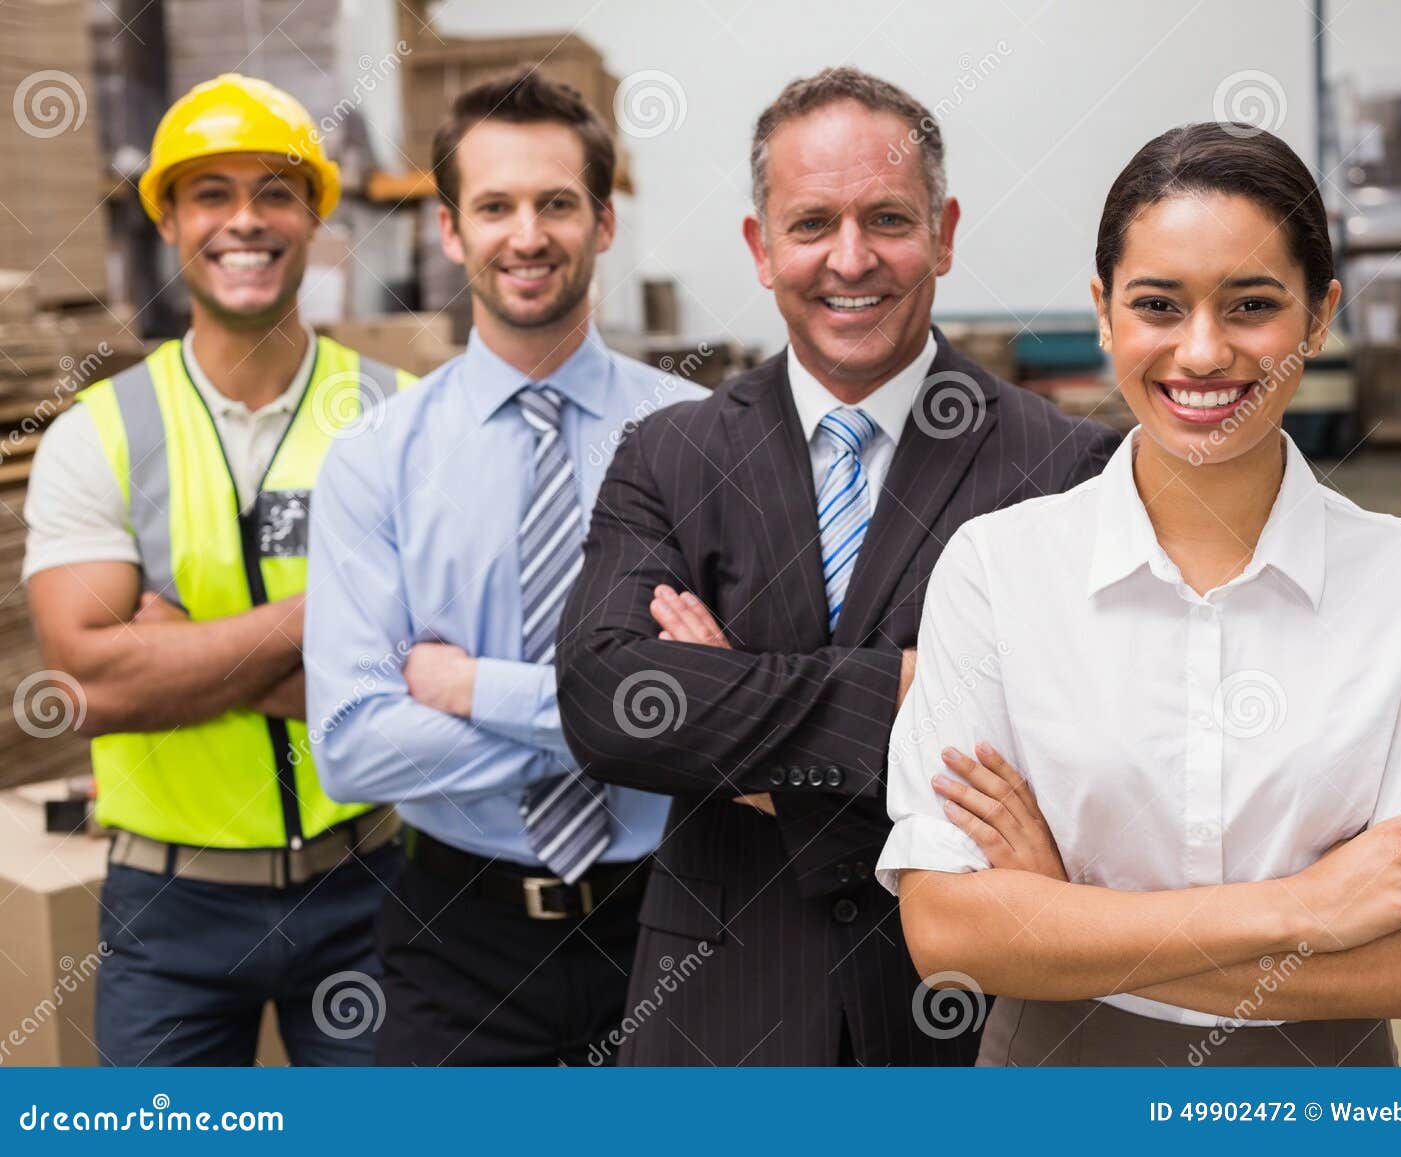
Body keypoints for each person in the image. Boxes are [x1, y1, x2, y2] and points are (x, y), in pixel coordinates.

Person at [877, 122, 1401, 1067]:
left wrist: (1060, 920)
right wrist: (1307, 906)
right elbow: (950, 935)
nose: (1203, 352)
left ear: (1321, 315)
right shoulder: (995, 571)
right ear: (1104, 312)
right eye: (1158, 305)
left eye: (1252, 304)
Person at [556, 67, 1119, 1066]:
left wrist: (742, 733)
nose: (849, 259)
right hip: (718, 1014)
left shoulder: (1059, 465)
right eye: (811, 221)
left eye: (887, 219)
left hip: (959, 1020)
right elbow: (608, 699)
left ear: (942, 233)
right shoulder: (670, 456)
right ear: (760, 245)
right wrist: (913, 689)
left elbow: (1062, 755)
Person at [306, 68, 704, 1066]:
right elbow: (355, 747)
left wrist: (473, 687)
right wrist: (617, 719)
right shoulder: (375, 457)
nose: (526, 234)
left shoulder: (700, 442)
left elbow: (717, 710)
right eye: (495, 206)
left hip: (677, 916)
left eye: (556, 203)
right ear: (451, 229)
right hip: (456, 939)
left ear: (603, 222)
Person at [24, 74, 413, 1065]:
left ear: (316, 212)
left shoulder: (404, 417)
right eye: (211, 193)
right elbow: (87, 684)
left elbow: (433, 678)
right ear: (169, 217)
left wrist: (176, 652)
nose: (245, 219)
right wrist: (328, 622)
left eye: (275, 190)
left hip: (369, 888)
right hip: (169, 915)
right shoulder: (97, 433)